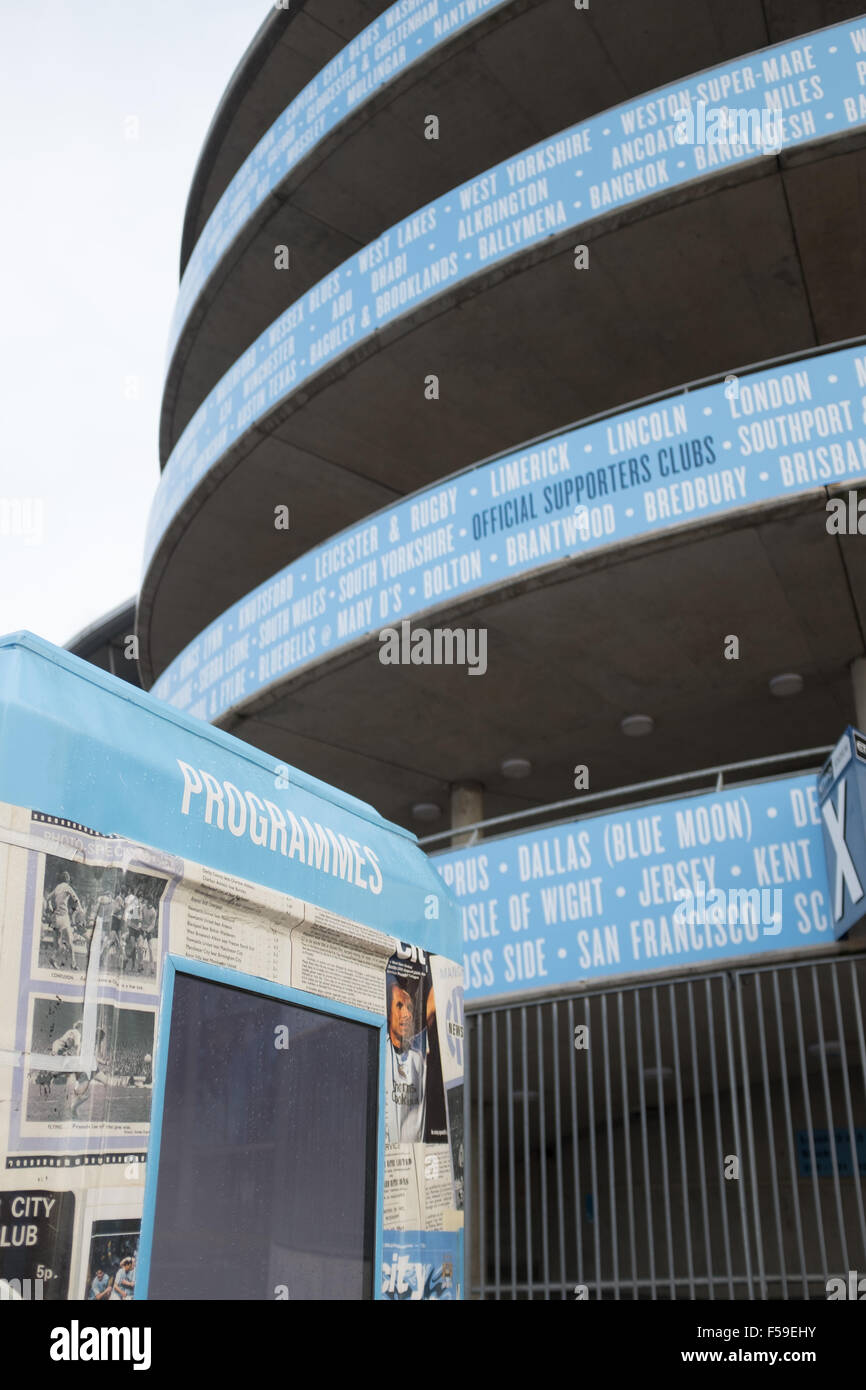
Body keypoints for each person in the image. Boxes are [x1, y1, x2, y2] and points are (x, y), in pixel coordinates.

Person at [384, 976, 430, 1144]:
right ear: (389, 1013)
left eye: (410, 1008)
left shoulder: (418, 1057)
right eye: (400, 1006)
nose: (407, 1014)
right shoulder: (381, 1053)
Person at [47, 871, 81, 971]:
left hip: (56, 917)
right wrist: (80, 909)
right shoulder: (67, 887)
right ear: (67, 879)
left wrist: (50, 908)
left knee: (60, 945)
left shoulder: (57, 887)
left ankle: (54, 959)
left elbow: (48, 898)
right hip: (64, 917)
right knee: (70, 942)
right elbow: (76, 899)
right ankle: (73, 964)